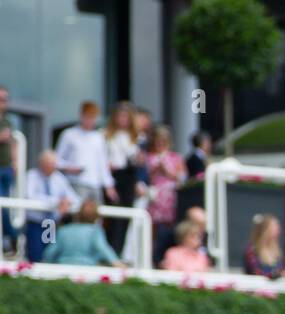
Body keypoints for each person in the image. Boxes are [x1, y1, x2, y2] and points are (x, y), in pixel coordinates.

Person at [140, 125, 187, 265]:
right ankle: (148, 259)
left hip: (170, 197)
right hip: (153, 195)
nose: (159, 144)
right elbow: (142, 177)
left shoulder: (175, 157)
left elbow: (183, 178)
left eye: (162, 140)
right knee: (150, 227)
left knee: (167, 228)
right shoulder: (147, 157)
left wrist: (167, 171)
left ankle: (163, 258)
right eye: (157, 140)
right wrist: (154, 170)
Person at [55, 101, 116, 206]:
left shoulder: (99, 137)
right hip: (76, 182)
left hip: (95, 185)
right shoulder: (69, 134)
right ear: (81, 115)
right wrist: (69, 168)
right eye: (87, 117)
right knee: (78, 213)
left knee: (95, 216)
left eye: (93, 117)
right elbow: (57, 160)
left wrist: (108, 185)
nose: (90, 121)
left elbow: (102, 164)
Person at [24, 150, 79, 263]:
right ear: (41, 163)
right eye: (49, 164)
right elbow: (30, 196)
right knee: (35, 254)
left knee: (49, 254)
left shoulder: (59, 178)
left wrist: (66, 201)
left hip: (51, 224)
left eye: (53, 164)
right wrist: (57, 201)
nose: (51, 167)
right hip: (35, 223)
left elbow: (74, 198)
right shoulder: (31, 175)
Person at [102, 101, 141, 253]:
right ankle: (109, 250)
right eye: (120, 116)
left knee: (125, 216)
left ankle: (118, 251)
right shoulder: (105, 135)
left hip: (128, 177)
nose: (122, 120)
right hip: (112, 177)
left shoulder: (135, 138)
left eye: (126, 117)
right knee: (112, 217)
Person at [42, 200, 123, 267]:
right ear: (96, 217)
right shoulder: (95, 231)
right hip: (87, 269)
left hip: (63, 267)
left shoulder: (63, 230)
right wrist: (117, 263)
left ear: (78, 214)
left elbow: (50, 253)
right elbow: (103, 248)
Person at [243, 213, 285, 279]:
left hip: (274, 288)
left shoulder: (276, 250)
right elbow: (256, 273)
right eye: (275, 227)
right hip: (256, 287)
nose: (279, 231)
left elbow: (281, 269)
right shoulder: (252, 250)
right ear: (265, 230)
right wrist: (280, 274)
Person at [0, 85, 16, 255]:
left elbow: (13, 142)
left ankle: (10, 239)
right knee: (2, 206)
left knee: (6, 207)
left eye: (5, 99)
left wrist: (15, 162)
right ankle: (9, 238)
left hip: (6, 169)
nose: (2, 103)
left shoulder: (8, 121)